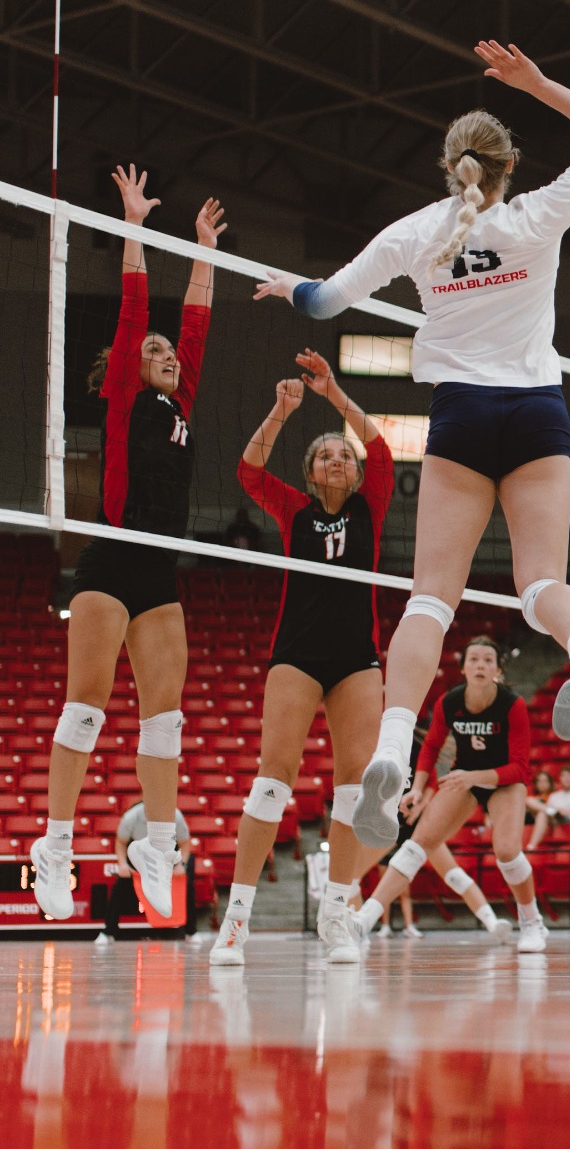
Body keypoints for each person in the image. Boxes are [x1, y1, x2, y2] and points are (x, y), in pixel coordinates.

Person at [255, 41, 570, 875]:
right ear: (505, 169)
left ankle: (394, 745)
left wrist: (289, 290)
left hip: (460, 416)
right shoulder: (535, 216)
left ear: (449, 166)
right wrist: (536, 83)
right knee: (541, 585)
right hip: (538, 410)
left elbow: (324, 301)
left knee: (431, 598)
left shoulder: (416, 232)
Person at [33, 165, 224, 924]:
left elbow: (198, 322)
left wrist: (208, 249)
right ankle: (54, 842)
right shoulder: (122, 392)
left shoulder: (183, 399)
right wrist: (137, 227)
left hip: (159, 571)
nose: (167, 351)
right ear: (130, 364)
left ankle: (153, 844)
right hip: (110, 558)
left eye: (169, 351)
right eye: (155, 349)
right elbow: (134, 308)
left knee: (165, 719)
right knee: (86, 707)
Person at [210, 350, 392, 966]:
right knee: (271, 780)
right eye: (324, 456)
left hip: (357, 659)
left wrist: (335, 393)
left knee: (353, 787)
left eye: (343, 454)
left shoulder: (372, 505)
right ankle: (236, 919)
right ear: (312, 475)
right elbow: (248, 470)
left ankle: (338, 912)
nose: (337, 459)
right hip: (297, 654)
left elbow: (382, 450)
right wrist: (284, 410)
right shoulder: (295, 512)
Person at [356, 635, 543, 950]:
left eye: (487, 660)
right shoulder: (449, 702)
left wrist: (475, 777)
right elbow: (430, 746)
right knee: (418, 845)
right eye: (474, 659)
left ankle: (532, 922)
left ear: (498, 669)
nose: (480, 665)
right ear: (463, 667)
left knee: (507, 852)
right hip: (464, 779)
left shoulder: (513, 705)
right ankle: (363, 921)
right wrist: (417, 789)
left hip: (504, 781)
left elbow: (521, 768)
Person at [98, 802, 194, 940]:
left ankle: (191, 931)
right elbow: (120, 842)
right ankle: (108, 932)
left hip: (168, 857)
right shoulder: (132, 816)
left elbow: (185, 843)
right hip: (139, 855)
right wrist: (123, 864)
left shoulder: (175, 815)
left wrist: (182, 865)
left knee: (187, 883)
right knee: (119, 886)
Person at [526, 767, 557, 849]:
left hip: (554, 820)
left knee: (541, 813)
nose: (541, 783)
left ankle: (531, 846)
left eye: (544, 781)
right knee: (529, 801)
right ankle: (549, 810)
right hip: (535, 819)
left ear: (550, 783)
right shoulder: (534, 798)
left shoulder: (555, 796)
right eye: (539, 781)